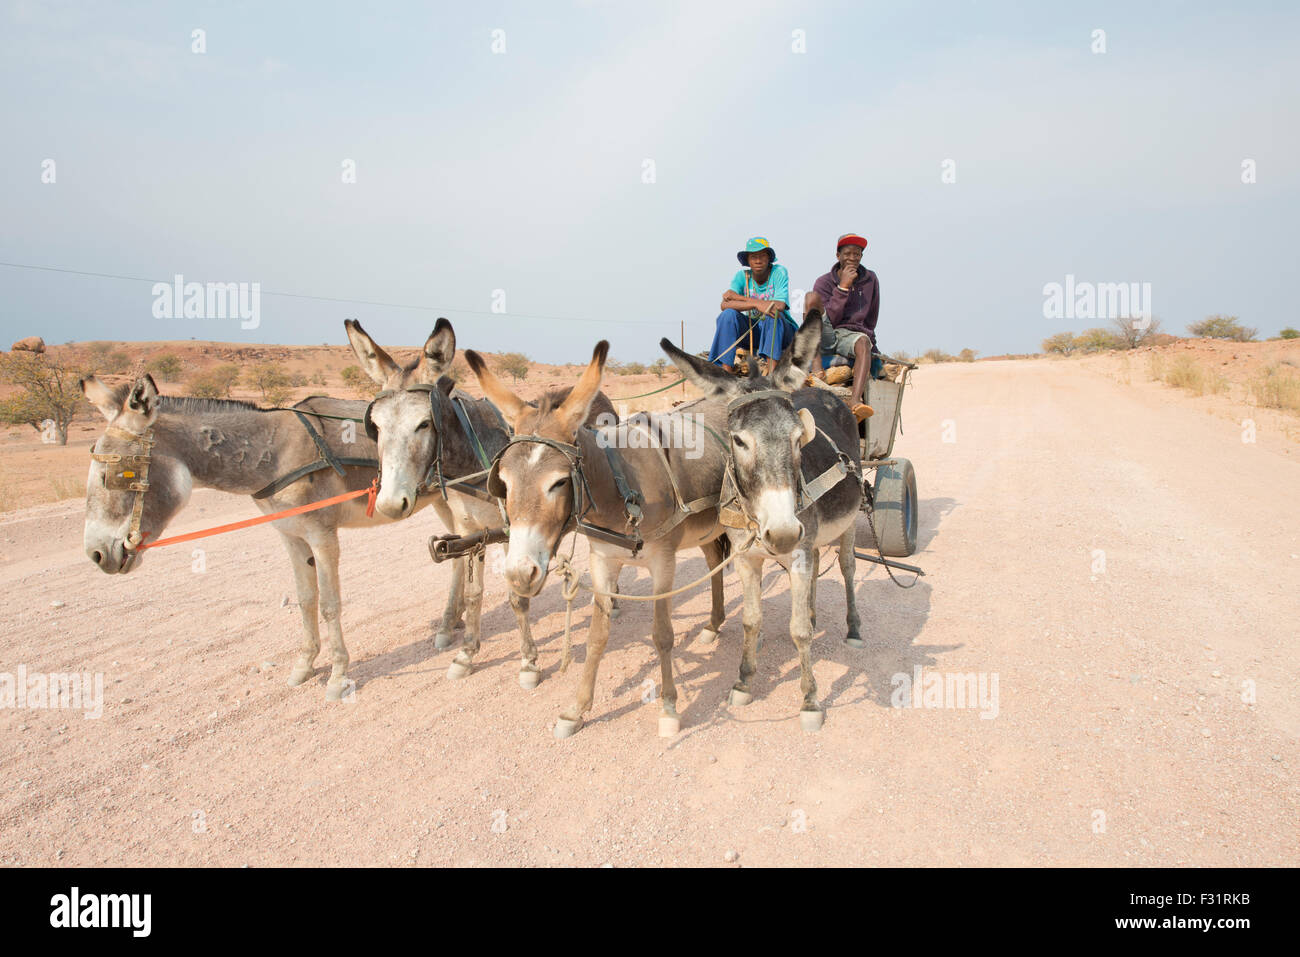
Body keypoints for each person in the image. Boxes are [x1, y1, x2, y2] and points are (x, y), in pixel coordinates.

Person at [806, 232, 879, 419]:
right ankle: (816, 367)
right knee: (810, 298)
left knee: (863, 342)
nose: (852, 258)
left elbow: (871, 317)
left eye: (857, 254)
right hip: (827, 331)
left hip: (852, 335)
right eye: (847, 254)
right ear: (838, 256)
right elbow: (831, 318)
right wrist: (843, 288)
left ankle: (855, 401)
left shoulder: (870, 279)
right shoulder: (824, 282)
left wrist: (871, 342)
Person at [707, 236, 796, 373]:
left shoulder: (778, 272)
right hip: (754, 332)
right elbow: (724, 305)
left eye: (762, 256)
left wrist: (739, 298)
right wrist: (756, 305)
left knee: (772, 314)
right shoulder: (742, 276)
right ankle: (725, 372)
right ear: (748, 260)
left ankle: (772, 375)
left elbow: (779, 305)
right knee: (727, 315)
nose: (758, 260)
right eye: (754, 257)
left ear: (769, 258)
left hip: (781, 332)